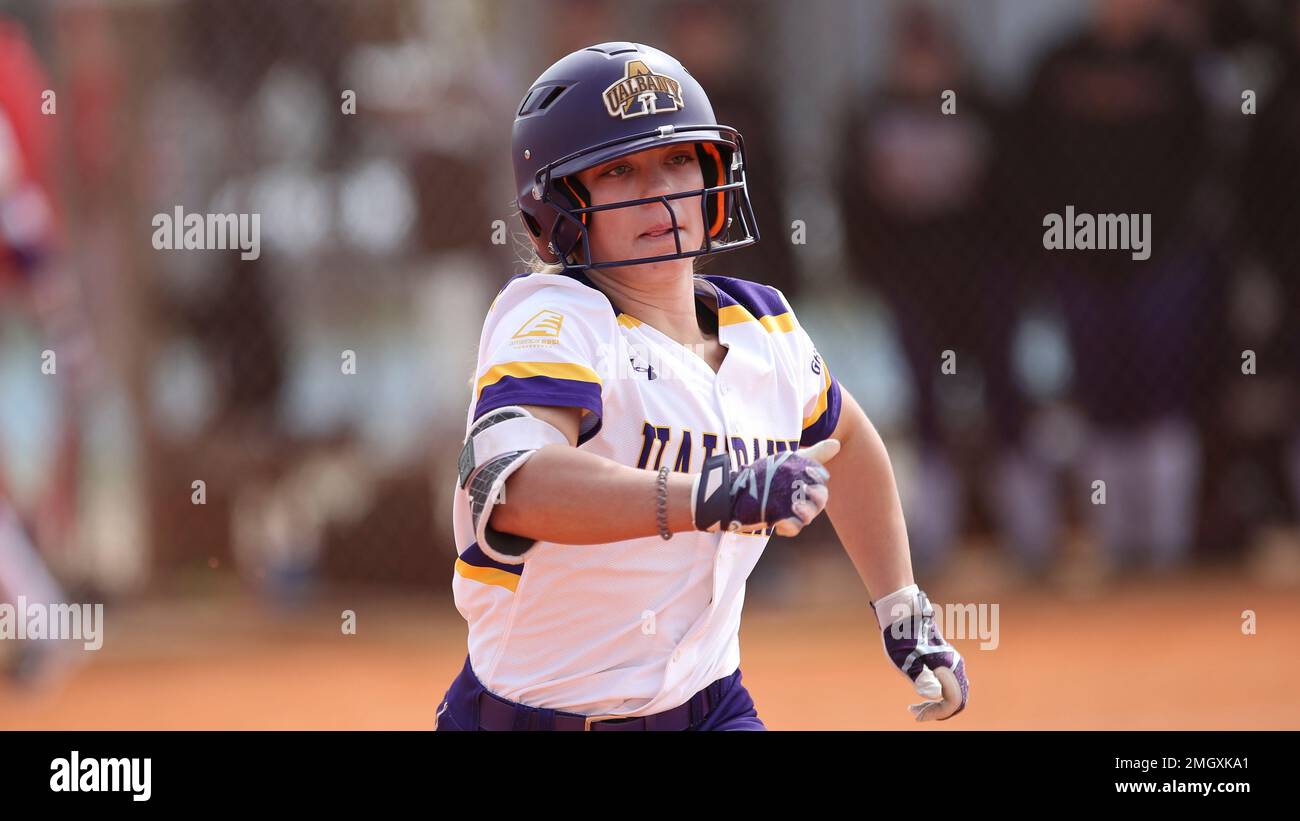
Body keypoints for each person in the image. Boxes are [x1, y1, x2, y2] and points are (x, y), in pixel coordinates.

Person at [434, 42, 968, 731]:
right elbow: (512, 488)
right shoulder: (554, 317)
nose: (659, 190)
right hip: (538, 716)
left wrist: (903, 608)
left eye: (679, 159)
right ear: (560, 207)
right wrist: (710, 496)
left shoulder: (761, 324)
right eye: (620, 170)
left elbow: (852, 443)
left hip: (711, 706)